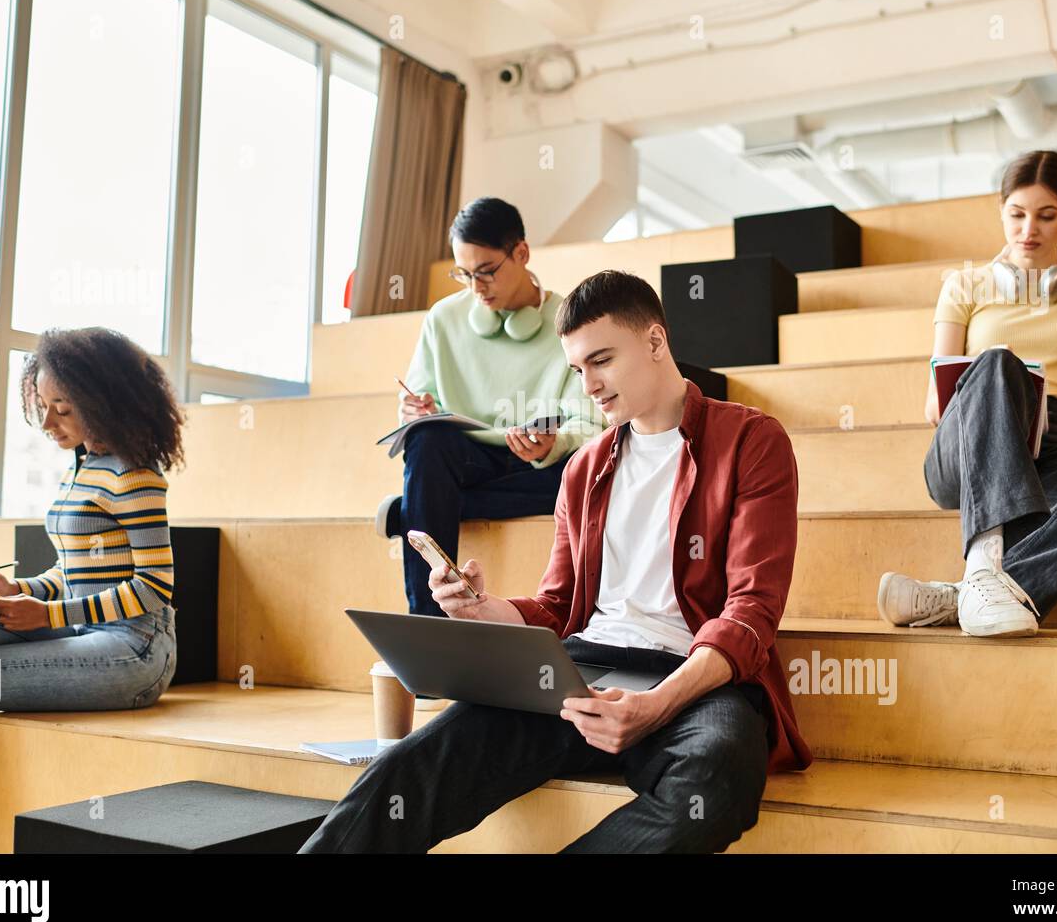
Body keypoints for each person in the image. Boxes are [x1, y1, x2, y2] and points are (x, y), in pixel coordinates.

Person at [302, 270, 810, 854]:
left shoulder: (752, 440)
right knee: (408, 769)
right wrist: (482, 608)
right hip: (578, 671)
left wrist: (655, 705)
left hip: (698, 680)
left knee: (718, 781)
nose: (588, 386)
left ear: (654, 341)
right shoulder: (583, 468)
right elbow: (558, 607)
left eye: (601, 361)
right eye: (576, 370)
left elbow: (752, 611)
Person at [0, 327, 183, 853]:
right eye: (44, 405)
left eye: (63, 408)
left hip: (134, 650)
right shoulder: (84, 466)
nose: (48, 422)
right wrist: (14, 587)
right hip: (81, 631)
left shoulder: (136, 476)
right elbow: (72, 570)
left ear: (102, 403)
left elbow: (155, 585)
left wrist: (47, 616)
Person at [878, 150, 1057, 637]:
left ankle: (971, 594)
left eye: (1047, 215)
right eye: (1016, 215)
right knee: (998, 362)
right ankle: (982, 565)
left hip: (1049, 442)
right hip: (967, 445)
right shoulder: (964, 285)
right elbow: (935, 407)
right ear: (1001, 211)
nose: (1028, 229)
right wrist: (995, 374)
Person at [378, 196, 605, 618]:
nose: (475, 288)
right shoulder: (443, 319)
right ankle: (427, 625)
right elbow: (422, 405)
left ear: (521, 253)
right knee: (426, 442)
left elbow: (592, 425)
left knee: (591, 480)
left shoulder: (568, 321)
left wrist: (552, 445)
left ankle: (421, 505)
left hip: (539, 467)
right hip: (467, 460)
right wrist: (414, 411)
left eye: (485, 272)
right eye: (463, 274)